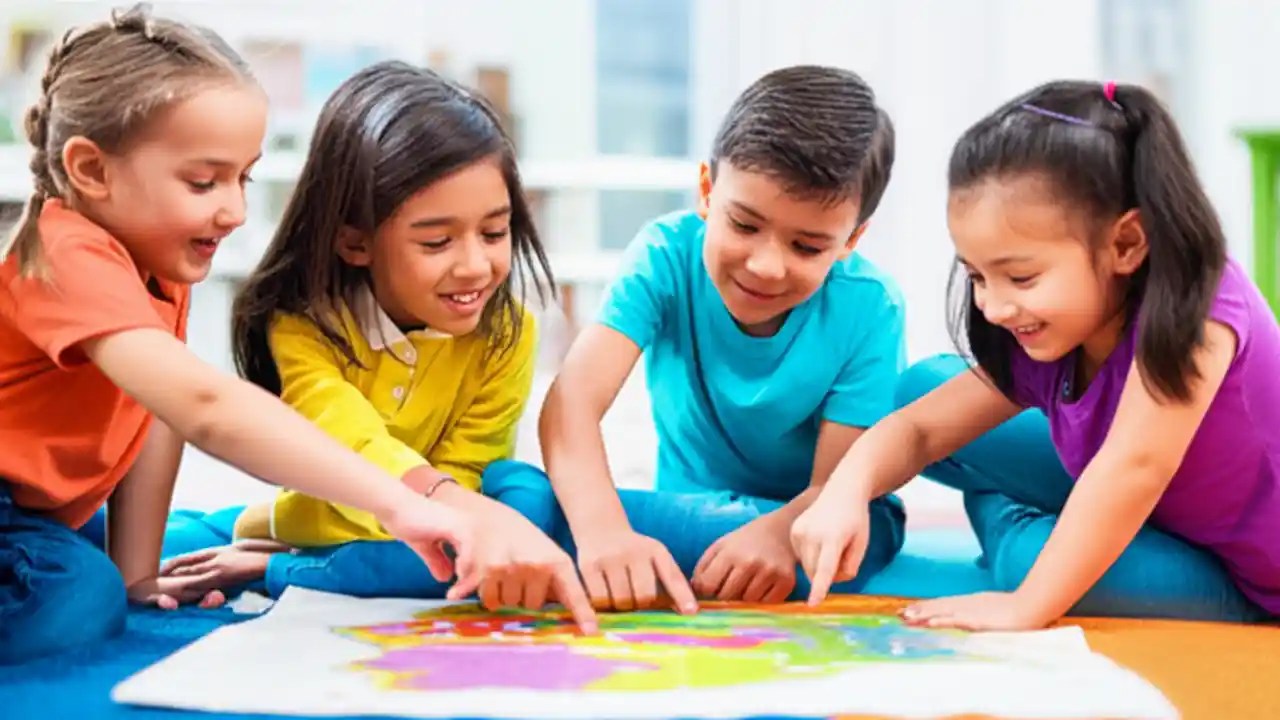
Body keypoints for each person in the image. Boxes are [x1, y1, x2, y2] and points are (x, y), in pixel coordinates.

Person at [0, 6, 507, 665]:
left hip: (41, 512)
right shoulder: (69, 253)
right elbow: (206, 408)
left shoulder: (156, 260)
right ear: (92, 171)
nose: (235, 211)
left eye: (243, 178)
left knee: (98, 575)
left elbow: (158, 416)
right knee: (77, 599)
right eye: (202, 182)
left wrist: (138, 572)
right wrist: (400, 503)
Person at [793, 80, 1280, 628]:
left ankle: (1016, 522)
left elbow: (1133, 469)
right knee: (924, 386)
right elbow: (920, 430)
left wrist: (1027, 607)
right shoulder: (1057, 324)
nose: (995, 306)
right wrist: (844, 491)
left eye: (1020, 277)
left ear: (1126, 245)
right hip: (1143, 506)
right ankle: (1042, 525)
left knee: (1031, 567)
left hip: (1244, 578)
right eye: (978, 275)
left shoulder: (1201, 307)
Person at [157, 61, 594, 629]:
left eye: (494, 232)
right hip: (303, 520)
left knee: (518, 501)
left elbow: (465, 481)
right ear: (354, 242)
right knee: (140, 544)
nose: (475, 266)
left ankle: (272, 565)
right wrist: (440, 509)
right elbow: (349, 447)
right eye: (437, 241)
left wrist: (283, 562)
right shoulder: (306, 325)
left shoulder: (507, 332)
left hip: (402, 535)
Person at [515, 65, 907, 612]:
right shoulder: (664, 255)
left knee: (853, 542)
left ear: (851, 240)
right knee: (527, 493)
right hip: (691, 511)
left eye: (807, 247)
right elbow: (571, 404)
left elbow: (836, 490)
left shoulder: (871, 305)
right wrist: (602, 531)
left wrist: (776, 534)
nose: (767, 266)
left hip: (810, 520)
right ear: (706, 189)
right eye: (744, 226)